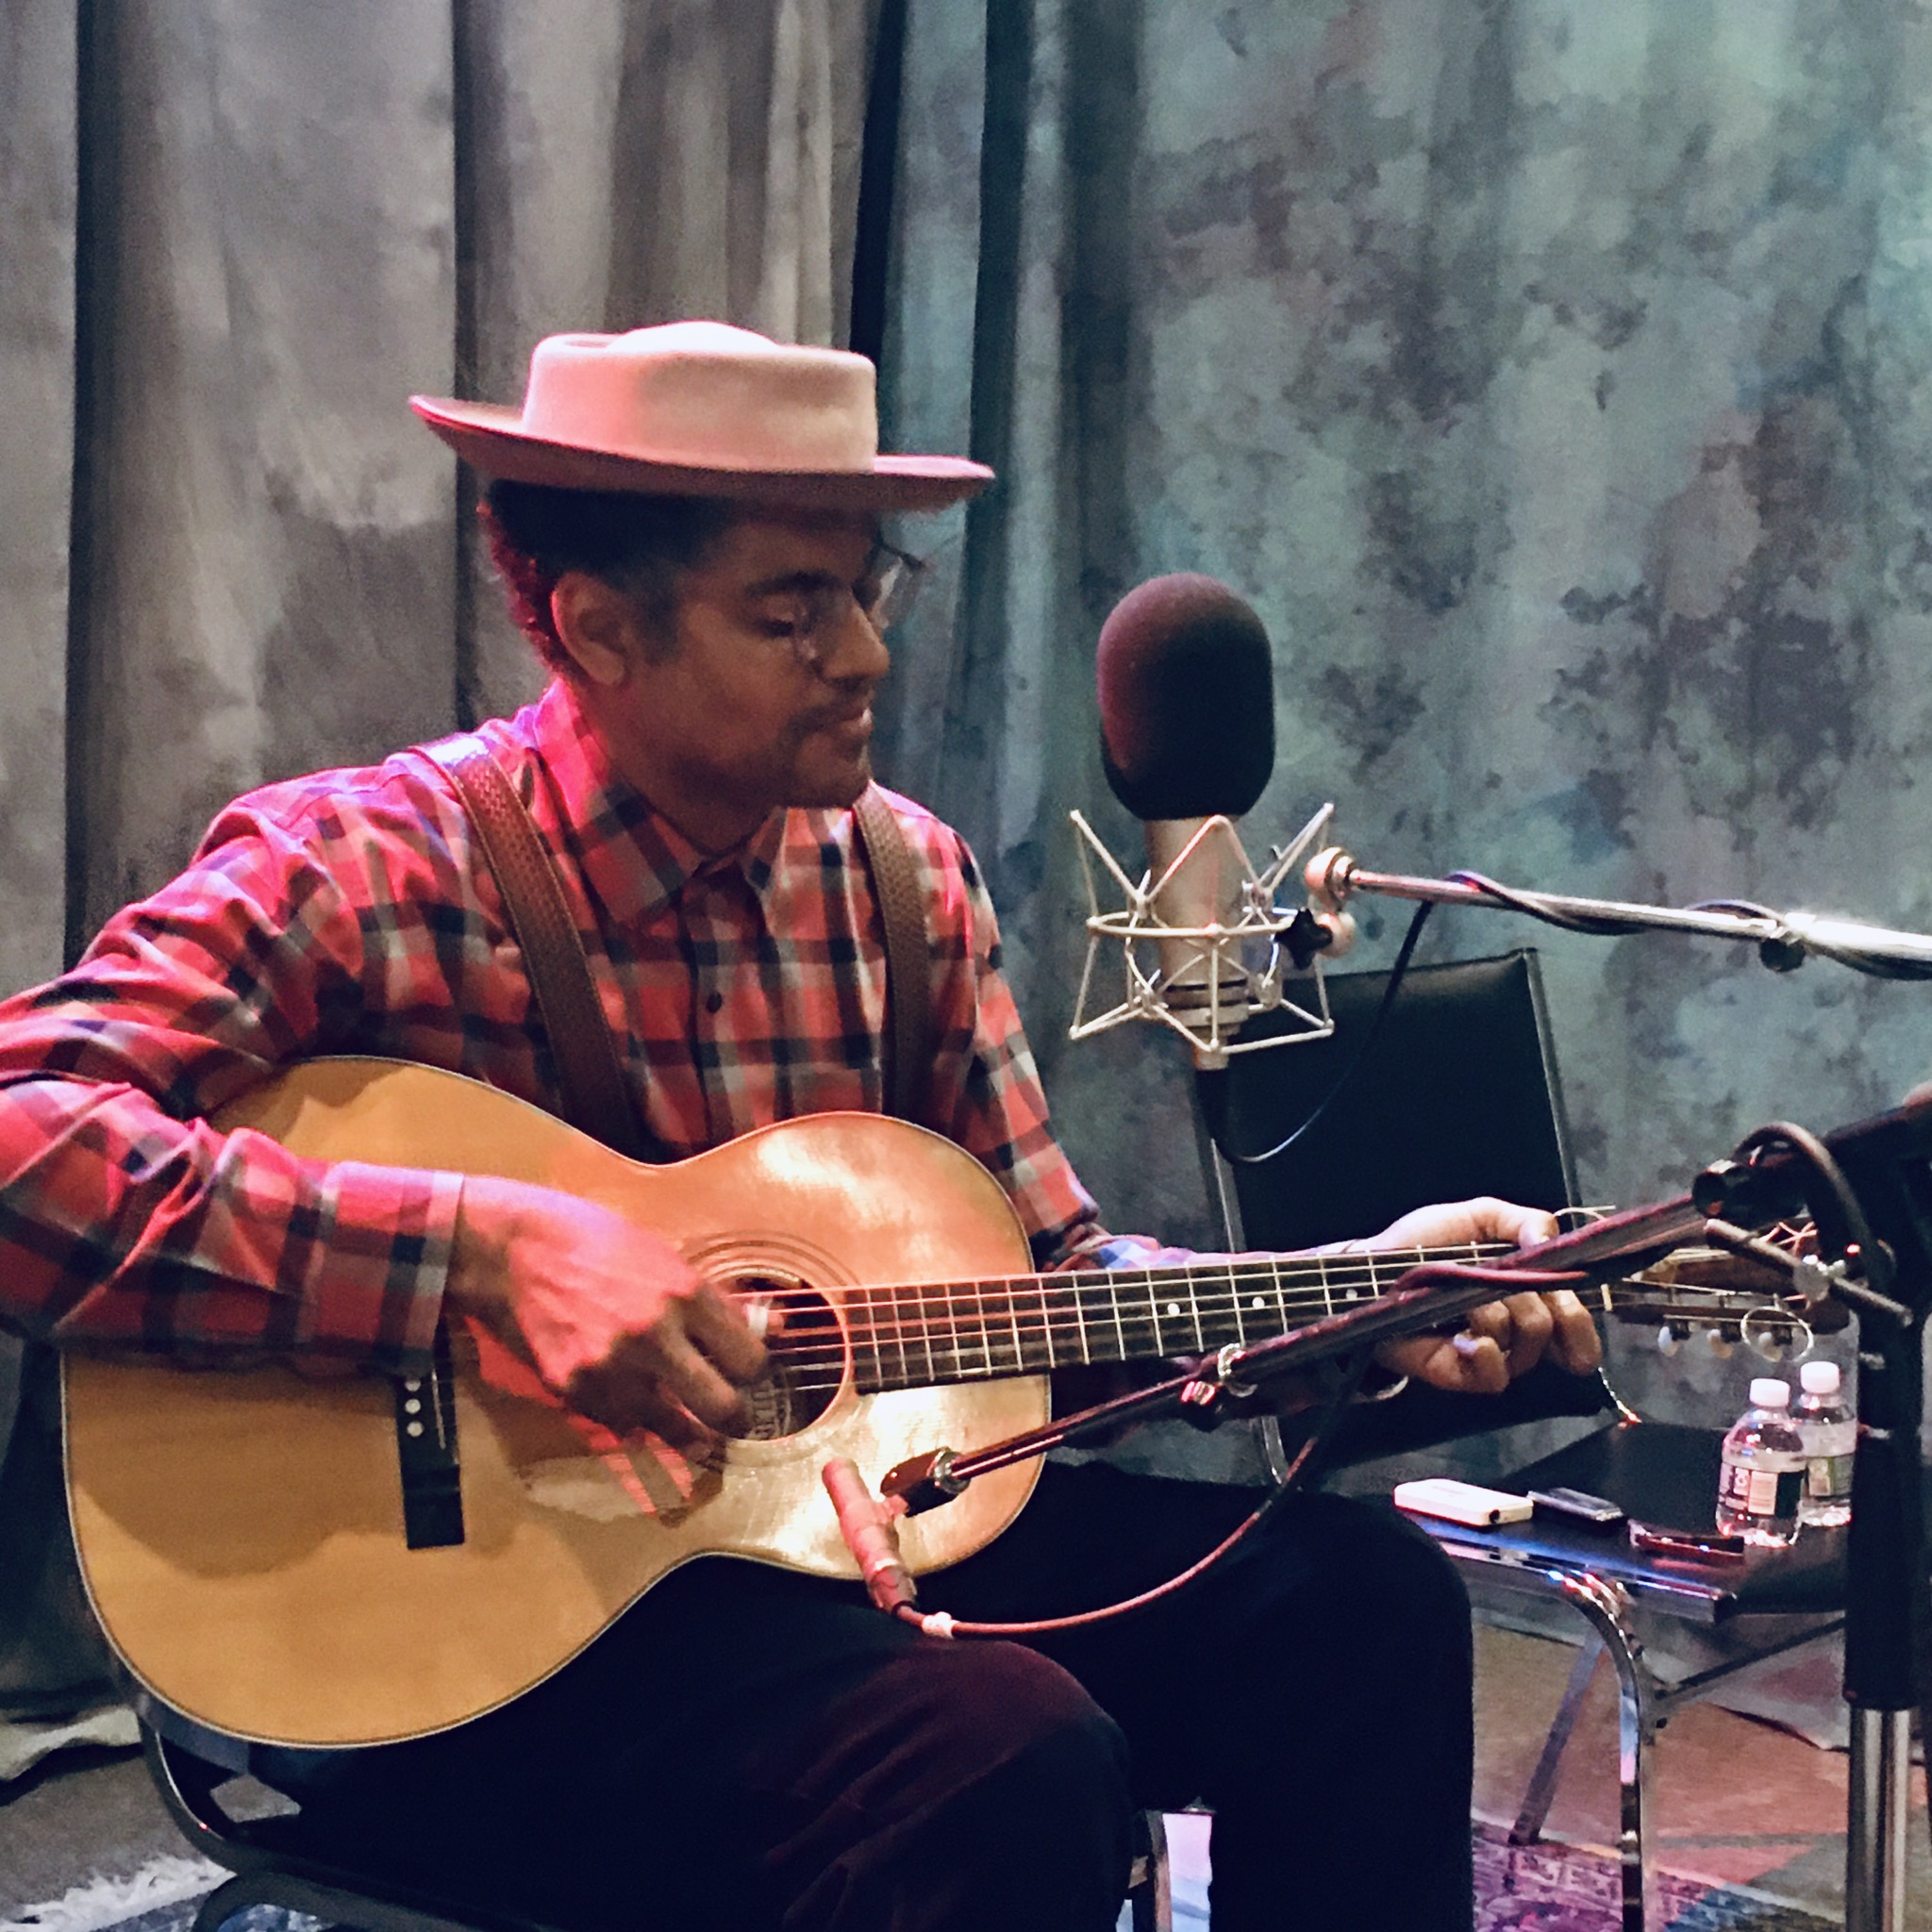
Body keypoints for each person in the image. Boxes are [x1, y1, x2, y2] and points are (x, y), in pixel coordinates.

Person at [0, 322, 1600, 1931]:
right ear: (598, 627)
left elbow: (1052, 1293)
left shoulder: (907, 883)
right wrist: (480, 1257)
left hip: (831, 1550)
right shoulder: (368, 867)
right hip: (456, 1644)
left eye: (866, 591)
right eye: (793, 611)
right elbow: (23, 1133)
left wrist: (1354, 1308)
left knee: (1360, 1606)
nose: (867, 657)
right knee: (1000, 1757)